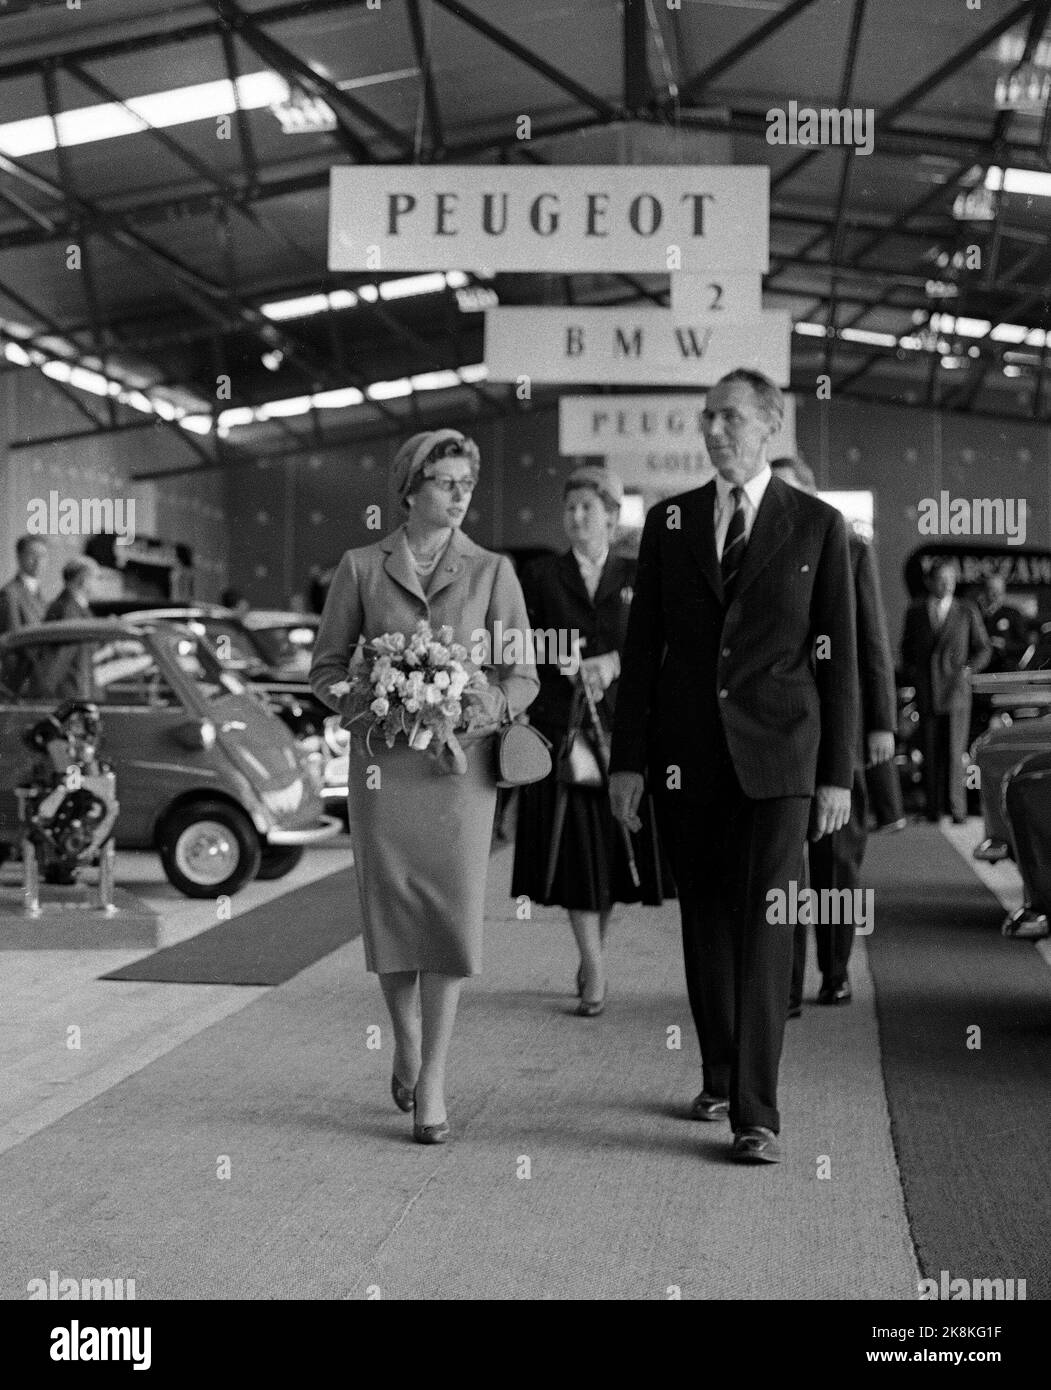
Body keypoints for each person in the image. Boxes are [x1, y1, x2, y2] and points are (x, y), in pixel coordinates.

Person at [609, 369, 859, 1166]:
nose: (713, 429)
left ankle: (756, 1111)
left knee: (767, 920)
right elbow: (641, 650)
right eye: (705, 417)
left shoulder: (818, 527)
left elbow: (840, 658)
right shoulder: (668, 523)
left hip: (783, 758)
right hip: (687, 758)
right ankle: (717, 1070)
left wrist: (837, 776)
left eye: (728, 417)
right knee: (705, 917)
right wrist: (629, 762)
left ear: (767, 425)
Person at [310, 429, 538, 1145]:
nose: (460, 493)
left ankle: (433, 1073)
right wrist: (374, 696)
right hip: (383, 769)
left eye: (466, 481)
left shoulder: (493, 571)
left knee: (449, 919)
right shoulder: (359, 567)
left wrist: (481, 706)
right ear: (409, 489)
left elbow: (522, 675)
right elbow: (325, 668)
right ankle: (404, 1042)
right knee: (392, 913)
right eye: (445, 481)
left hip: (459, 774)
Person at [511, 464, 671, 1018]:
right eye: (570, 508)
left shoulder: (639, 573)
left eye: (588, 507)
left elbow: (661, 643)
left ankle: (592, 952)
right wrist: (562, 659)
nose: (577, 517)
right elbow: (521, 644)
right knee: (576, 850)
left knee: (609, 851)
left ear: (611, 514)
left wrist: (616, 662)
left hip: (627, 733)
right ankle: (596, 969)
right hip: (563, 730)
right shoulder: (539, 576)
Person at [770, 458, 896, 1012]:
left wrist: (881, 725)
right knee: (784, 864)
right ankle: (788, 981)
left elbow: (872, 642)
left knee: (837, 860)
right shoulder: (756, 554)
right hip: (779, 735)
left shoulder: (852, 550)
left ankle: (836, 968)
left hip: (840, 731)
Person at [900, 560, 991, 824]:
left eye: (951, 578)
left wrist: (969, 670)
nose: (947, 583)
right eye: (941, 578)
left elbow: (983, 647)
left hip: (956, 692)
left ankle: (956, 809)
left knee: (954, 753)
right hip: (927, 690)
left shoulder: (966, 610)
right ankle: (932, 809)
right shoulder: (916, 611)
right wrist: (913, 673)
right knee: (929, 751)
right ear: (930, 581)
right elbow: (906, 648)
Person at [43, 557, 98, 700]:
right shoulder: (69, 609)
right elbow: (63, 658)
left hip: (75, 687)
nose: (96, 584)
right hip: (71, 691)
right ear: (83, 579)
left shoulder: (72, 606)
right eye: (95, 578)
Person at [977, 574, 1030, 672]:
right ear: (984, 591)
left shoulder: (1013, 614)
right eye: (992, 589)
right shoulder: (976, 614)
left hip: (1006, 670)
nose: (996, 593)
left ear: (1004, 591)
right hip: (982, 670)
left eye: (999, 589)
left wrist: (1005, 644)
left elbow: (1024, 644)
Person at [0, 535, 49, 636]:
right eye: (32, 554)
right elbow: (11, 639)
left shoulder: (41, 593)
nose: (38, 561)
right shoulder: (10, 594)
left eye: (43, 555)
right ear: (19, 556)